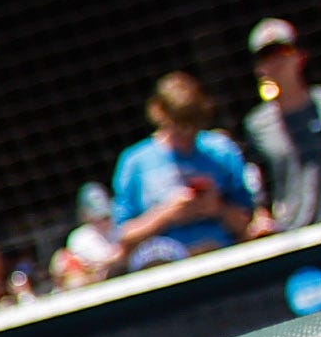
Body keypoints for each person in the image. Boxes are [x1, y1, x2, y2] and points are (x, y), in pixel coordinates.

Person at [106, 72, 264, 268]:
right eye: (179, 126)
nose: (187, 134)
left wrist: (217, 208)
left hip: (222, 260)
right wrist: (167, 214)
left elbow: (249, 222)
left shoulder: (221, 151)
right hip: (163, 267)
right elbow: (123, 236)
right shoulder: (135, 161)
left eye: (193, 126)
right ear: (158, 112)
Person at [236, 20, 321, 232]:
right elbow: (262, 191)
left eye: (282, 51)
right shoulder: (256, 126)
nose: (276, 61)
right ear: (258, 68)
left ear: (300, 55)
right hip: (295, 237)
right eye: (267, 55)